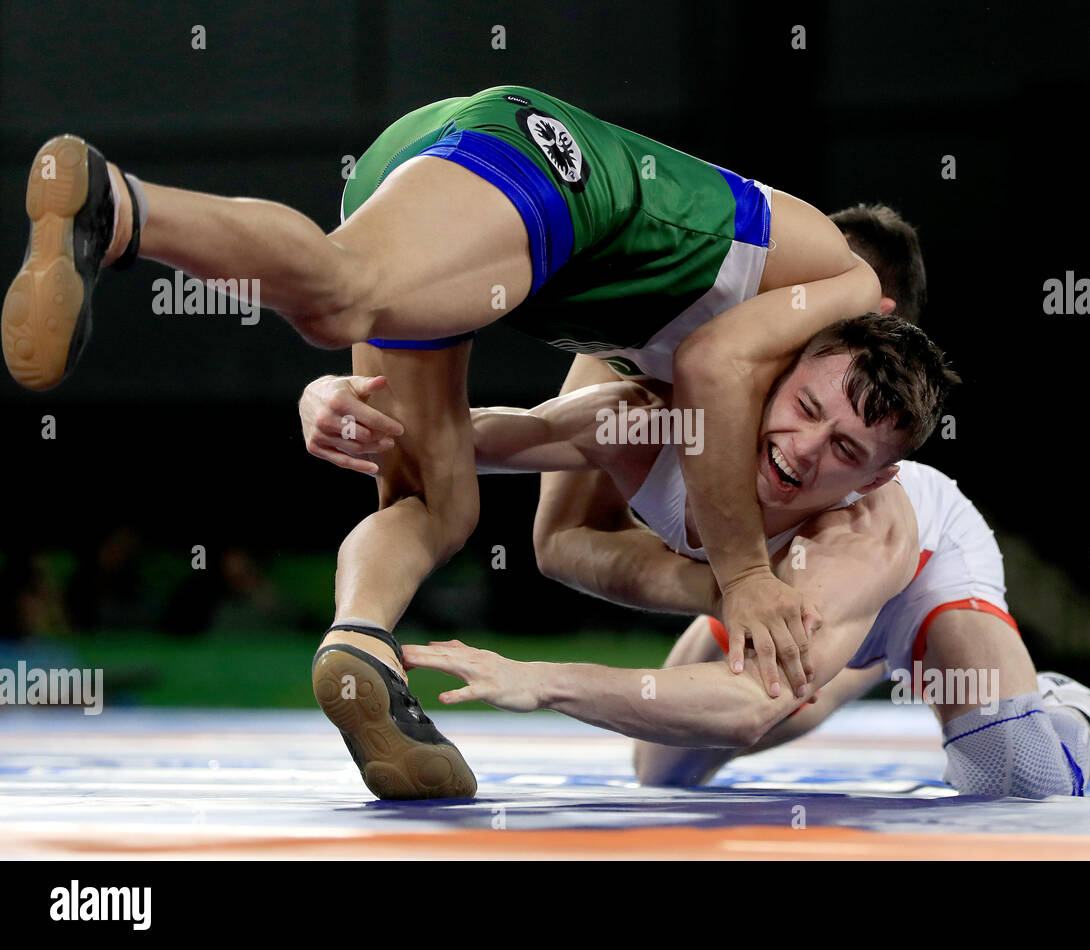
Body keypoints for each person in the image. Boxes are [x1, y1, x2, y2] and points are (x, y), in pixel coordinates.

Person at [5, 86, 892, 798]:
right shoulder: (838, 293)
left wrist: (328, 400)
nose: (822, 427)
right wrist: (741, 577)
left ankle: (361, 641)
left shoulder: (665, 371)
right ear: (882, 314)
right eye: (832, 403)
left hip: (493, 194)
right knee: (343, 296)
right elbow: (714, 366)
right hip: (546, 166)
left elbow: (547, 503)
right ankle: (119, 208)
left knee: (433, 495)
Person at [306, 315, 1090, 797]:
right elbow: (477, 440)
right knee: (662, 770)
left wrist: (540, 678)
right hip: (786, 598)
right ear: (774, 379)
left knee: (1020, 782)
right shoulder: (656, 417)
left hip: (917, 585)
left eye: (846, 450)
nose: (806, 452)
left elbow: (744, 710)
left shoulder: (870, 525)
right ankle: (842, 664)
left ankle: (1079, 716)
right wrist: (332, 398)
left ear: (876, 477)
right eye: (805, 408)